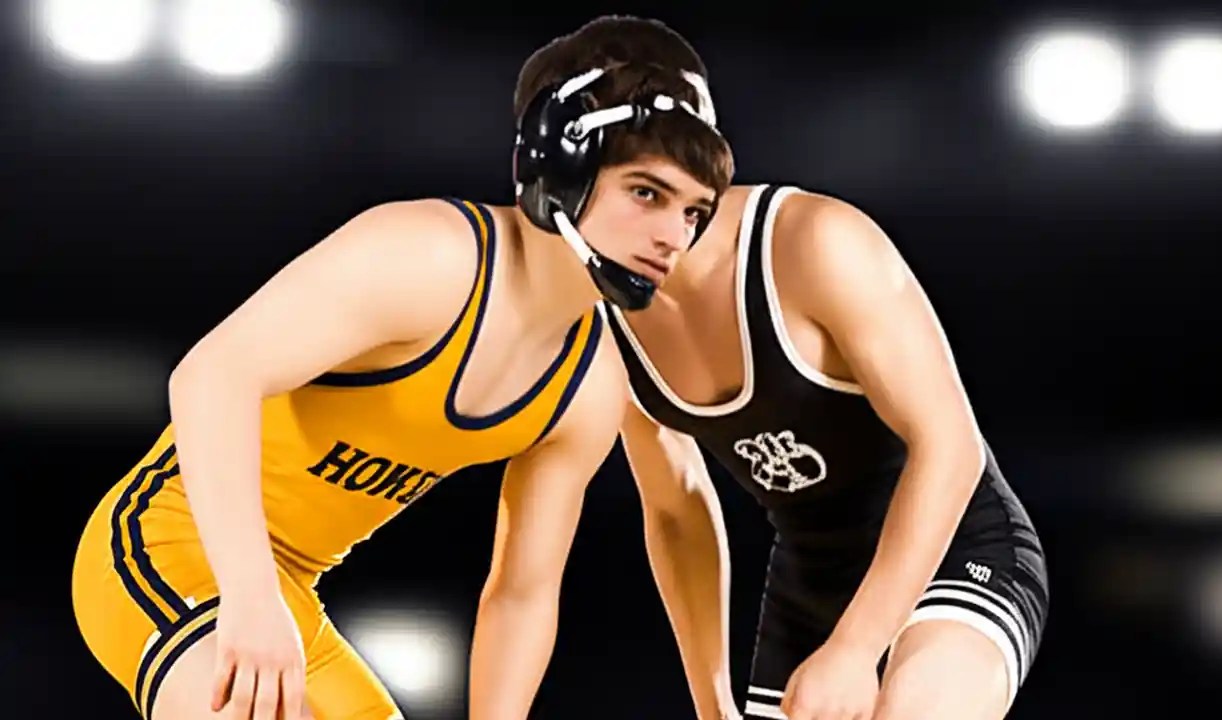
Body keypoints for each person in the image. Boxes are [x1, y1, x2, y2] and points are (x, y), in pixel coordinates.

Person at [70, 16, 734, 720]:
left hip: (290, 593)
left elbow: (521, 592)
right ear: (559, 168)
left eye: (694, 211)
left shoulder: (589, 385)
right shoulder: (427, 259)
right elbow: (210, 376)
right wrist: (251, 600)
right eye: (646, 193)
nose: (674, 235)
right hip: (166, 548)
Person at [576, 22, 1049, 720]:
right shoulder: (602, 313)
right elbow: (676, 510)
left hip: (955, 549)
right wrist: (713, 706)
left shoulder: (812, 242)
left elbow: (950, 447)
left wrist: (859, 648)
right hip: (812, 580)